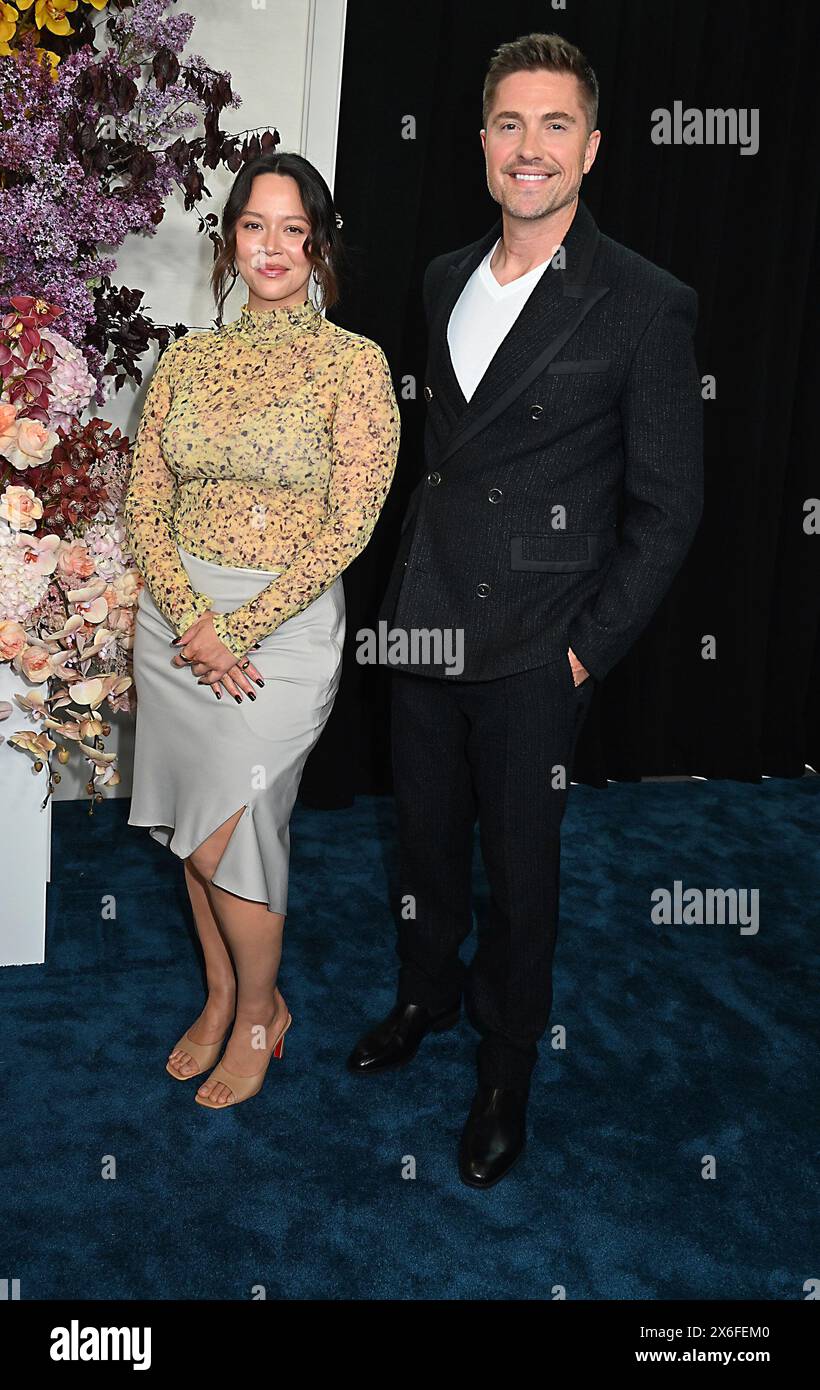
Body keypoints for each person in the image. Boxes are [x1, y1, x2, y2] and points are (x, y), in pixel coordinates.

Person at [348, 33, 703, 1187]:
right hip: (424, 619)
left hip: (534, 652)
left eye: (556, 126)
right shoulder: (443, 274)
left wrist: (581, 658)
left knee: (522, 872)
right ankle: (423, 994)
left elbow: (666, 508)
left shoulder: (645, 303)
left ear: (592, 149)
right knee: (419, 840)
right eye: (510, 124)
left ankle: (505, 1071)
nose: (530, 147)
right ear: (483, 141)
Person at [125, 152, 401, 1110]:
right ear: (230, 241)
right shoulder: (189, 358)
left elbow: (350, 522)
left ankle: (259, 1013)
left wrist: (238, 626)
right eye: (255, 226)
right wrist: (194, 620)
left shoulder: (354, 366)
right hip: (177, 622)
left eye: (294, 229)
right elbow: (145, 497)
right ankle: (221, 999)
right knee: (196, 834)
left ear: (318, 246)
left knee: (228, 838)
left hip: (279, 631)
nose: (274, 247)